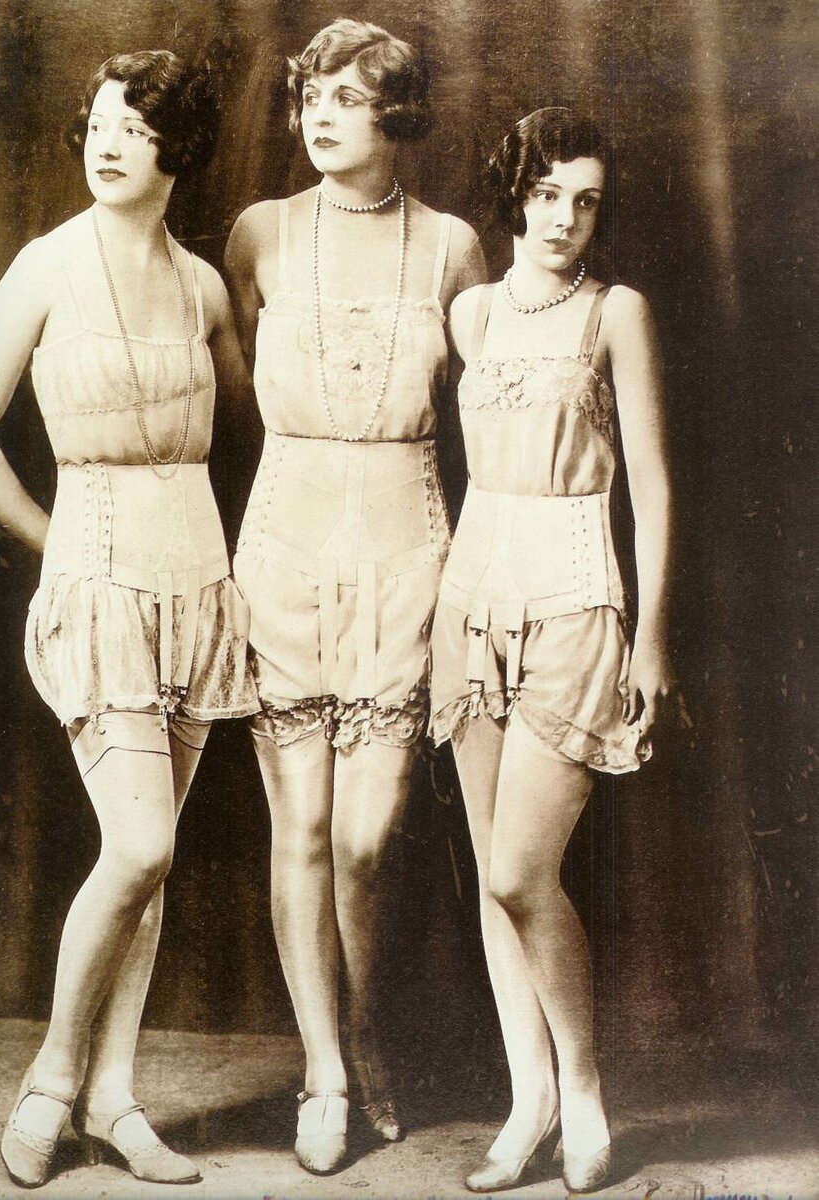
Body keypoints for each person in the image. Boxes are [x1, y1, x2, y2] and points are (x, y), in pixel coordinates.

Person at [0, 50, 258, 1188]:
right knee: (140, 845)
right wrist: (56, 544)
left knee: (152, 861)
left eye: (133, 128)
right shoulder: (46, 266)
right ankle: (52, 1080)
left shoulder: (203, 287)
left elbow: (258, 432)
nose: (107, 143)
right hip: (97, 586)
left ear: (177, 148)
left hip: (198, 584)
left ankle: (116, 1097)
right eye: (96, 123)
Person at [224, 18, 485, 1175]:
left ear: (397, 113)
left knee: (368, 838)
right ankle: (325, 1071)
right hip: (284, 538)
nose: (318, 117)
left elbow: (489, 411)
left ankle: (369, 1027)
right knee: (302, 829)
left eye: (345, 97)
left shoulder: (452, 247)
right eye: (308, 98)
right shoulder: (260, 232)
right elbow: (236, 384)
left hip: (405, 541)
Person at [430, 108, 683, 1193]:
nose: (562, 218)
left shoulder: (616, 312)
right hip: (470, 599)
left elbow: (652, 485)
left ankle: (581, 1090)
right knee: (491, 882)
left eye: (584, 200)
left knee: (521, 871)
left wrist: (651, 634)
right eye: (544, 194)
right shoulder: (471, 313)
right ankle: (526, 1097)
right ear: (513, 195)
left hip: (576, 596)